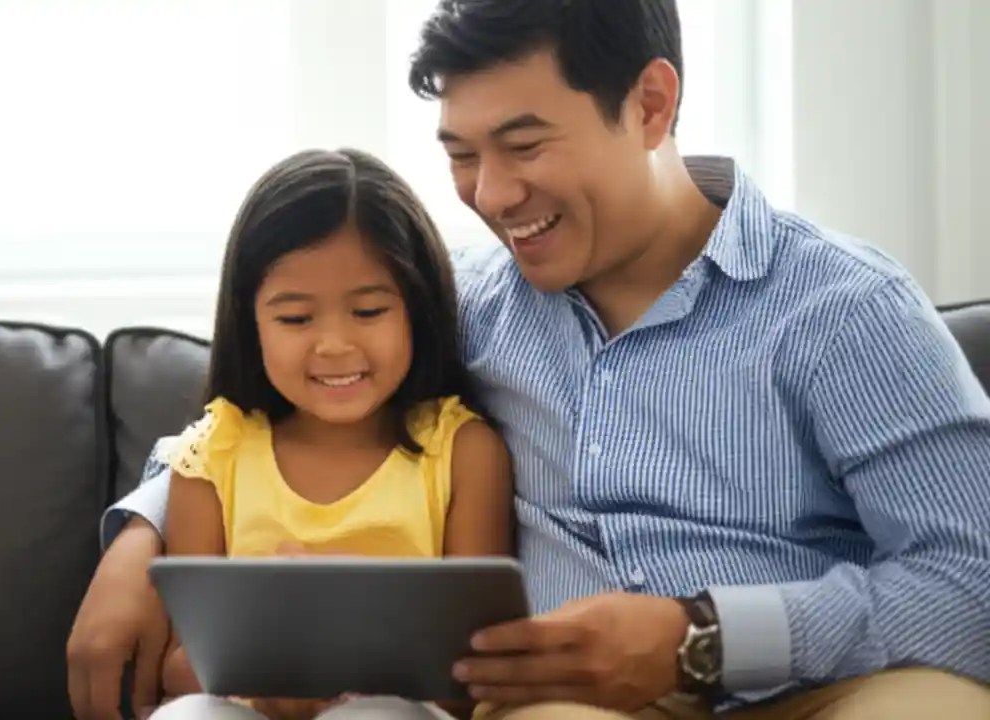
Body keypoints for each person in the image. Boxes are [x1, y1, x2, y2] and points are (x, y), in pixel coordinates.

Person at [67, 0, 990, 718]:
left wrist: (700, 637)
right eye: (462, 154)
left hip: (826, 689)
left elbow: (971, 579)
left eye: (523, 145)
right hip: (565, 706)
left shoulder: (843, 309)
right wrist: (139, 542)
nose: (492, 194)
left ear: (651, 104)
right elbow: (269, 413)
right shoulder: (462, 305)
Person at [136, 147, 512, 720]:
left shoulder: (462, 450)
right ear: (250, 321)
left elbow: (476, 670)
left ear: (416, 309)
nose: (334, 346)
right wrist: (268, 659)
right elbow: (181, 664)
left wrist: (359, 659)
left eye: (369, 312)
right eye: (294, 319)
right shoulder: (211, 456)